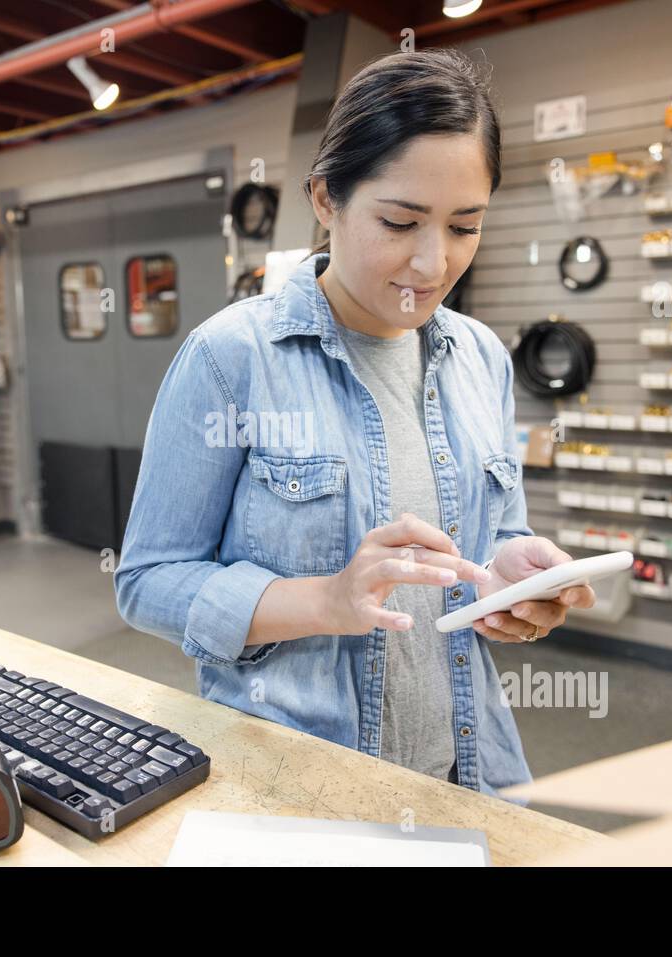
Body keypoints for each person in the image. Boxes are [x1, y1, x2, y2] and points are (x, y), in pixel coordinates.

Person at [115, 47, 595, 796]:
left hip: (465, 769)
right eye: (401, 221)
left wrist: (507, 579)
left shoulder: (481, 359)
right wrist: (324, 601)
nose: (433, 264)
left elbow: (489, 538)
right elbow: (145, 580)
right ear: (325, 198)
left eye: (465, 227)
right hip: (296, 783)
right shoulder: (231, 358)